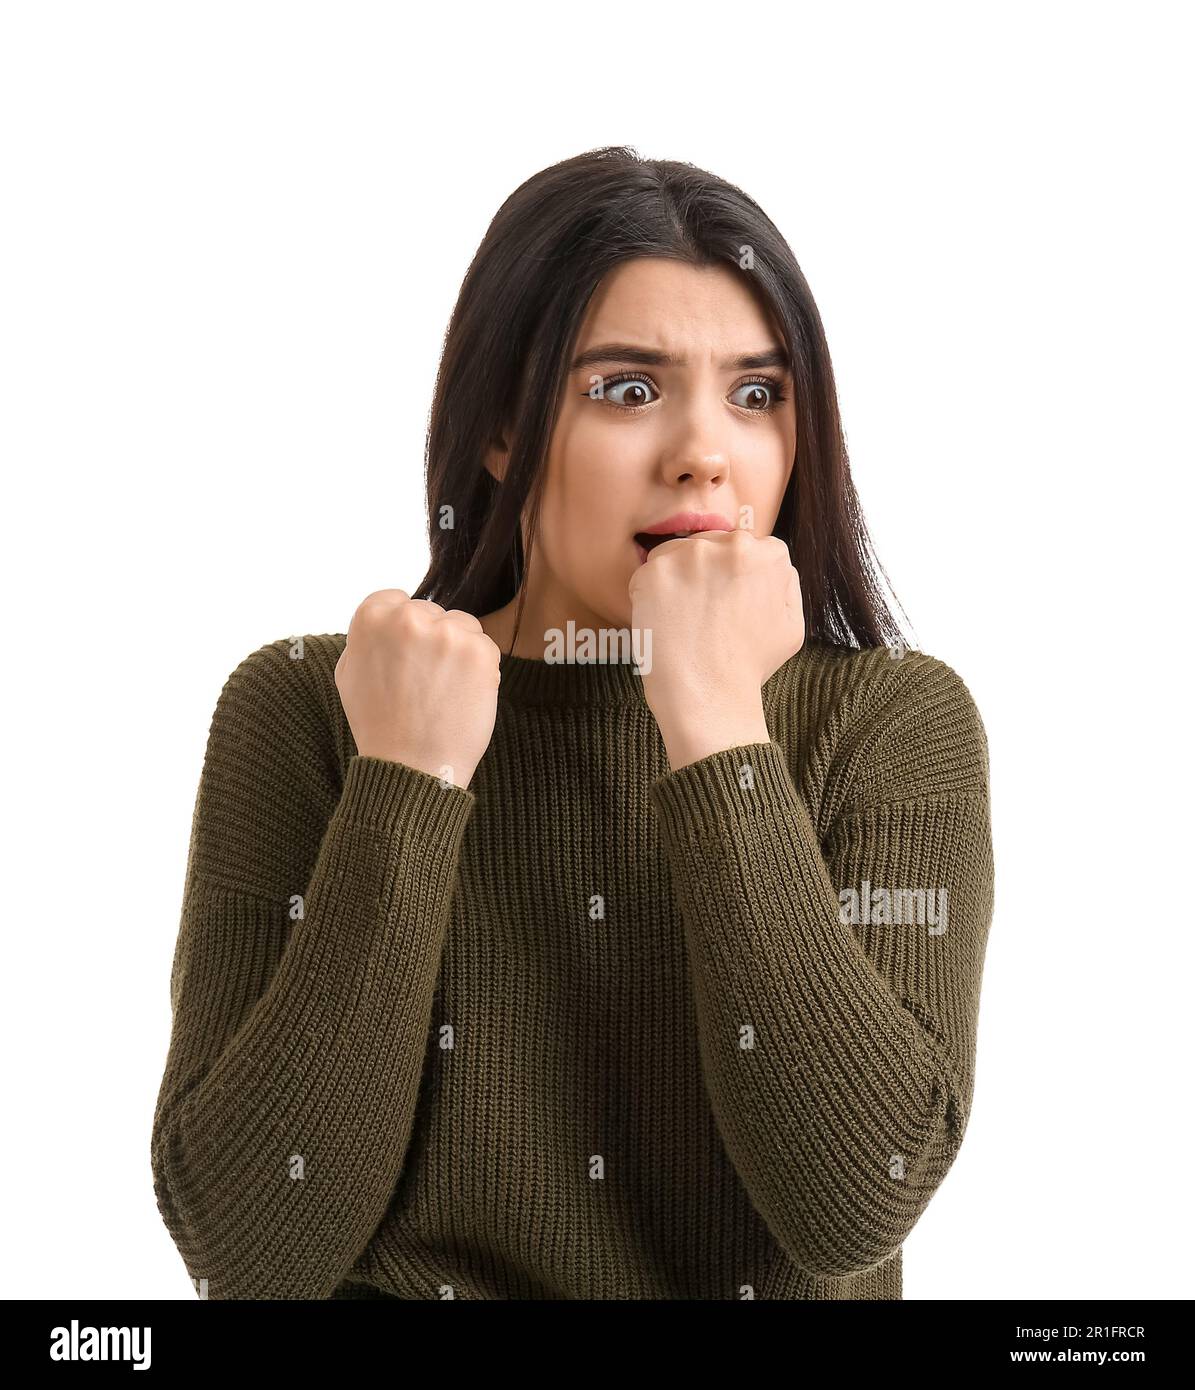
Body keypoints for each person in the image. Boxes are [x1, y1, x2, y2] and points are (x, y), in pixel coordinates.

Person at [150, 145, 995, 1300]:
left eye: (757, 394)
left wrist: (714, 724)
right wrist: (407, 783)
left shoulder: (890, 720)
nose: (704, 449)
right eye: (627, 388)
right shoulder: (311, 706)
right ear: (503, 428)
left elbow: (849, 1202)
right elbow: (250, 1251)